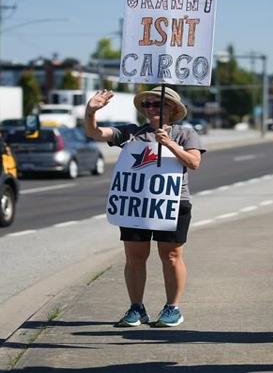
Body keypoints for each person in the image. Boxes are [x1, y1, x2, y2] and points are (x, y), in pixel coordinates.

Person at [84, 87, 205, 328]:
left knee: (171, 256)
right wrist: (91, 112)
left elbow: (194, 162)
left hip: (172, 203)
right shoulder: (131, 133)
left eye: (156, 103)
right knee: (135, 257)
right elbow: (95, 132)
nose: (150, 108)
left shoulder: (185, 133)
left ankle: (172, 308)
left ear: (171, 108)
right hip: (136, 203)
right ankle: (136, 308)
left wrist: (169, 144)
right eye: (146, 104)